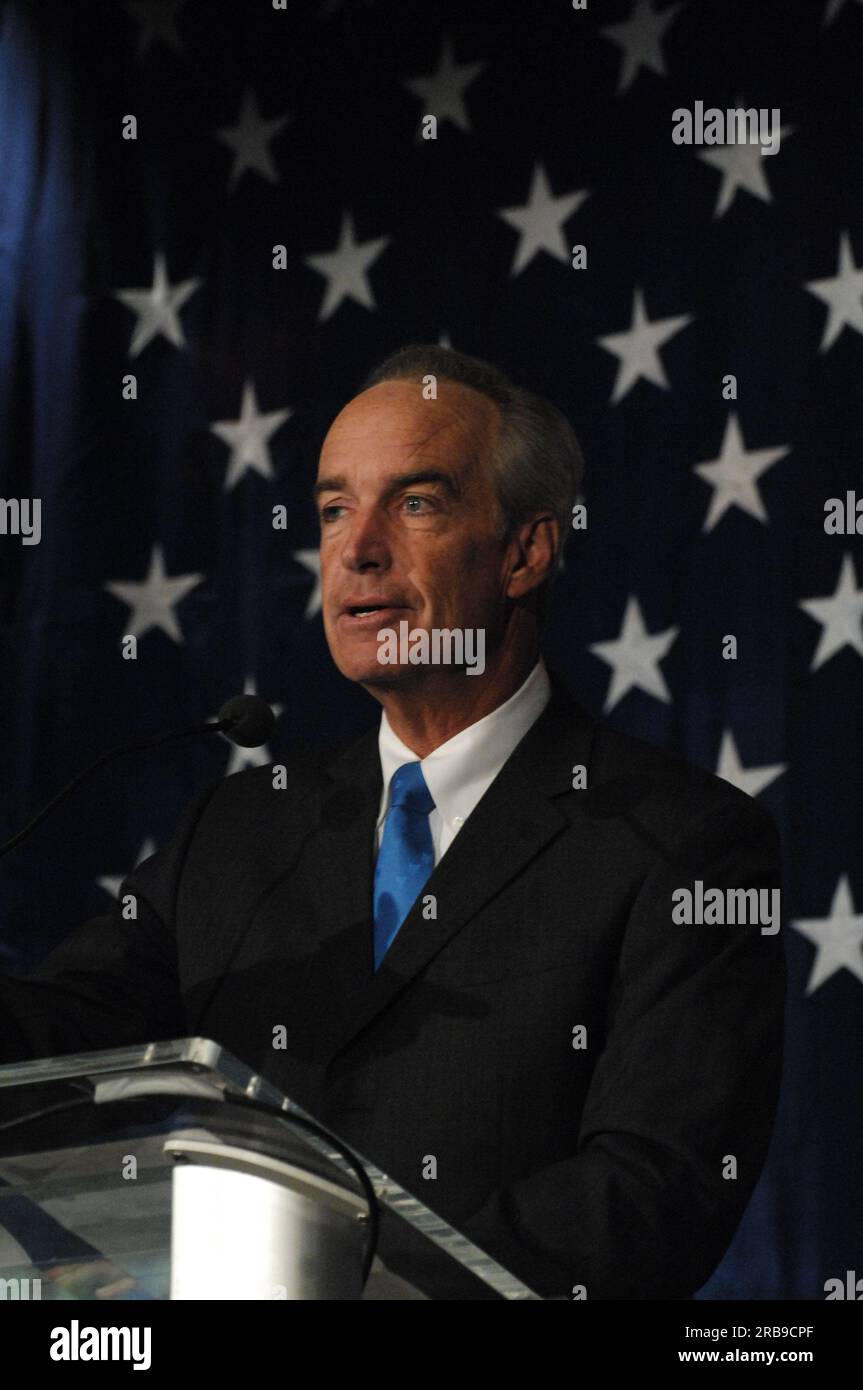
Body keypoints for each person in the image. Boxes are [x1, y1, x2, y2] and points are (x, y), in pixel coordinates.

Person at [0, 345, 785, 1299]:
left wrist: (341, 1285)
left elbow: (654, 1193)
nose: (357, 548)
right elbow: (59, 1039)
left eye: (416, 503)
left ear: (524, 552)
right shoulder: (241, 828)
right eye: (334, 509)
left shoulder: (682, 843)